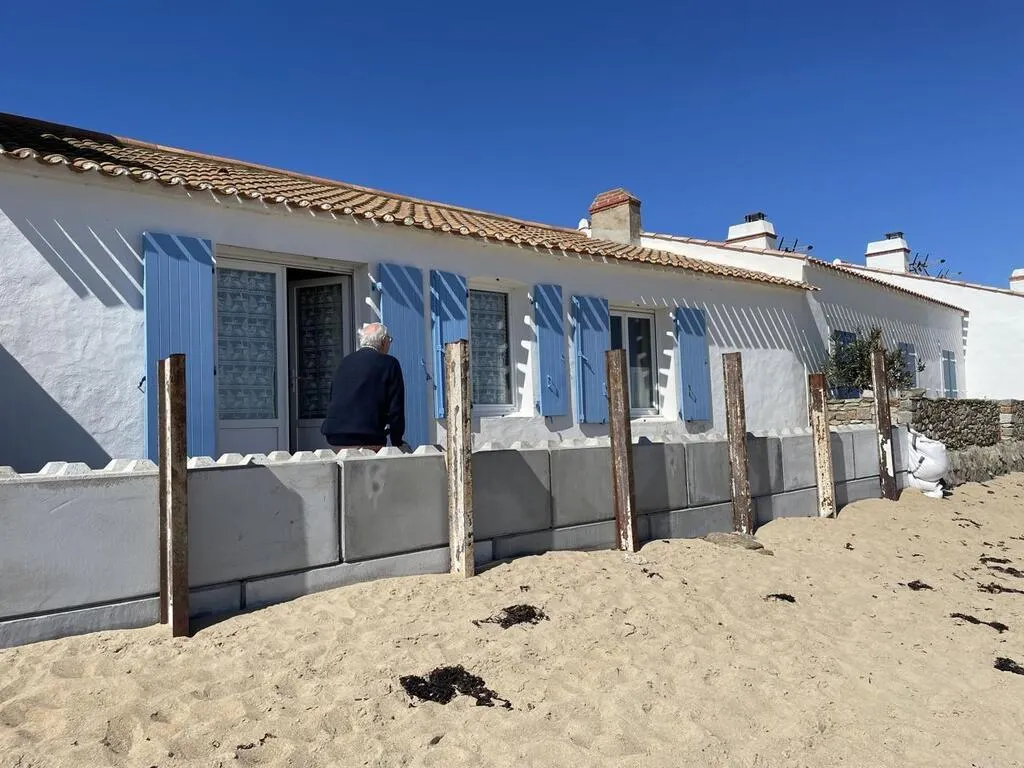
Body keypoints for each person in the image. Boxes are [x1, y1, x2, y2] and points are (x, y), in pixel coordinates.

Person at [321, 322, 405, 451]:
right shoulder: (389, 363)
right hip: (367, 435)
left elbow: (333, 395)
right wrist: (397, 441)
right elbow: (396, 408)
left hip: (335, 436)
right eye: (389, 339)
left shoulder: (345, 362)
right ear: (383, 341)